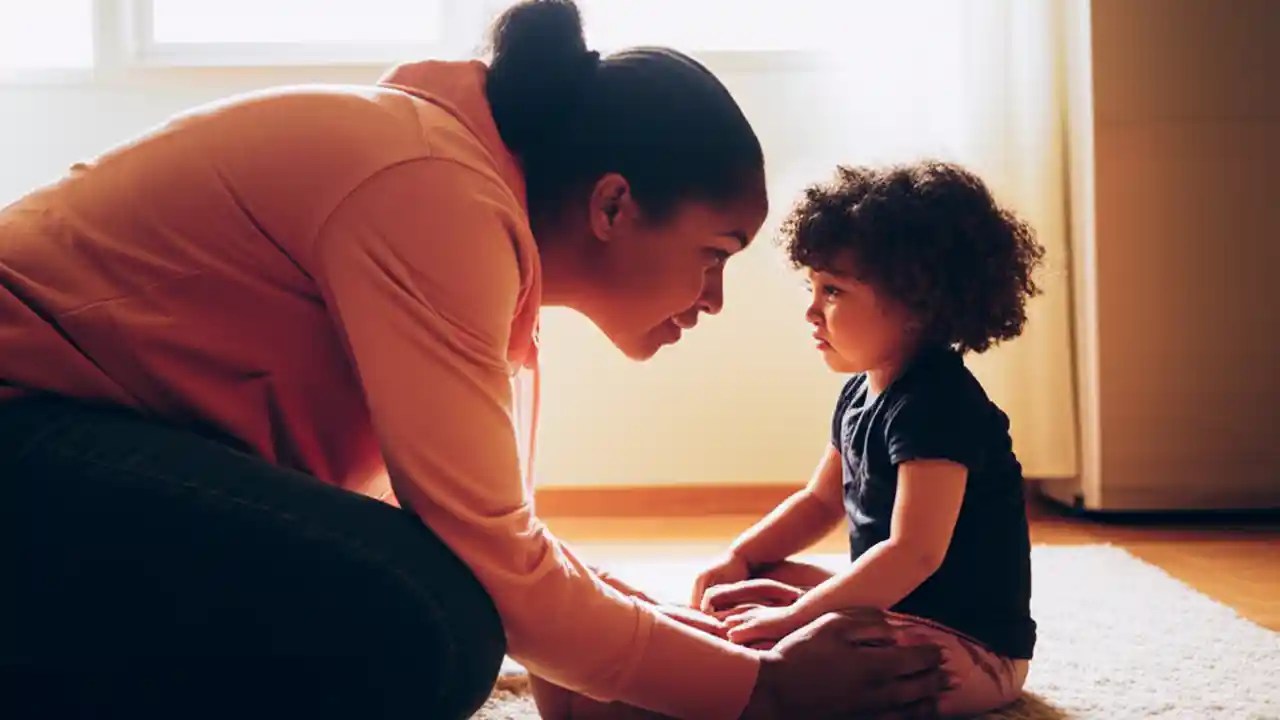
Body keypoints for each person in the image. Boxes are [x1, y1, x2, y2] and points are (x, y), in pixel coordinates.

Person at [0, 1, 945, 718]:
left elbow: (490, 534)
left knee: (434, 602)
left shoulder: (464, 207)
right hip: (24, 433)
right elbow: (498, 564)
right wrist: (762, 691)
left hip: (65, 448)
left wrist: (660, 644)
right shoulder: (431, 195)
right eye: (714, 255)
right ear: (614, 206)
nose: (713, 300)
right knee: (429, 628)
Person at [687, 161, 1044, 717]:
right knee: (749, 586)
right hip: (900, 614)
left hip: (971, 651)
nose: (810, 310)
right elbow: (819, 501)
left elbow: (913, 553)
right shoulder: (861, 392)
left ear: (916, 303)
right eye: (812, 286)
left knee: (801, 658)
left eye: (833, 291)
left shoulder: (939, 403)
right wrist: (740, 556)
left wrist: (794, 620)